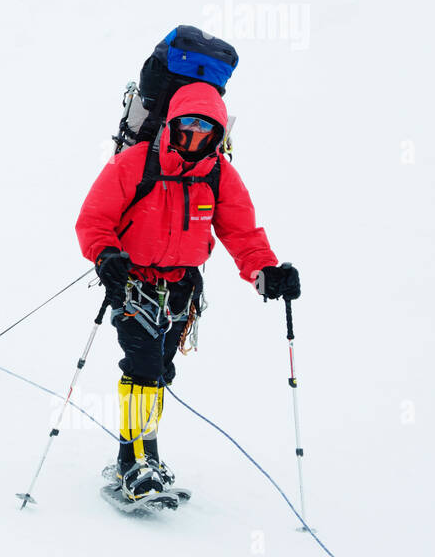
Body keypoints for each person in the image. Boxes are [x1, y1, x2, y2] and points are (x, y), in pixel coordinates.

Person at [75, 81, 300, 502]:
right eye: (187, 127)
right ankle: (130, 463)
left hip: (182, 292)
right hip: (133, 285)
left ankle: (149, 456)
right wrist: (105, 256)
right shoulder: (136, 163)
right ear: (172, 124)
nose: (195, 137)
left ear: (219, 135)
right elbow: (93, 219)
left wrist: (266, 272)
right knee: (142, 369)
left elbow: (242, 232)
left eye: (206, 130)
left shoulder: (218, 175)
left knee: (158, 373)